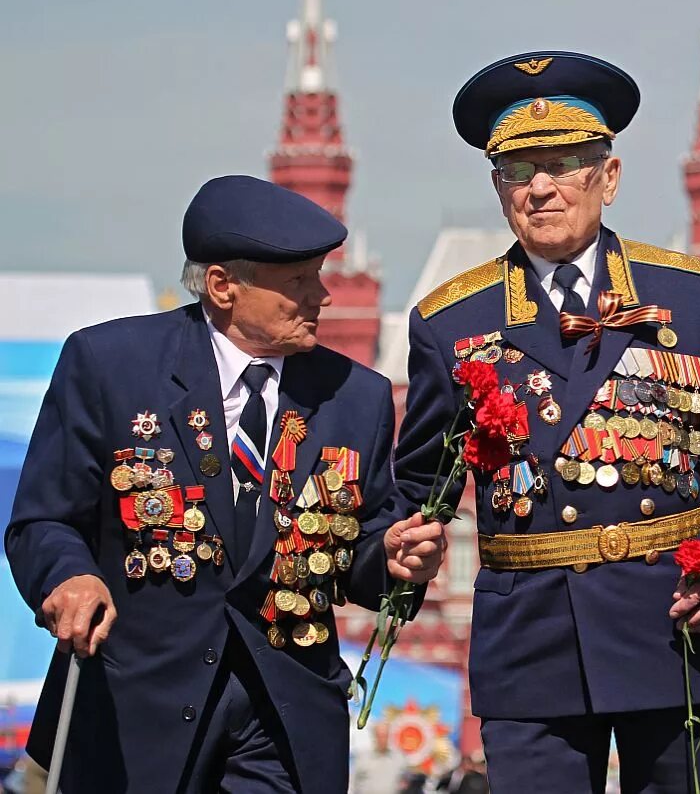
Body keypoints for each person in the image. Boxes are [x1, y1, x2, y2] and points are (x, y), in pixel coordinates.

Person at [394, 51, 700, 793]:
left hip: (675, 629)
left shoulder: (691, 295)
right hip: (532, 648)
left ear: (608, 178)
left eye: (566, 162)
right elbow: (415, 487)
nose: (540, 187)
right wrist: (395, 549)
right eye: (518, 169)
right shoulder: (450, 322)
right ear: (497, 187)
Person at [6, 175, 447, 793]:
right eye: (297, 282)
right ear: (223, 286)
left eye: (319, 276)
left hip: (284, 718)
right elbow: (42, 521)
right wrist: (68, 576)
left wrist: (398, 559)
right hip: (138, 709)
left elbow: (361, 556)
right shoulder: (112, 365)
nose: (320, 296)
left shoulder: (358, 396)